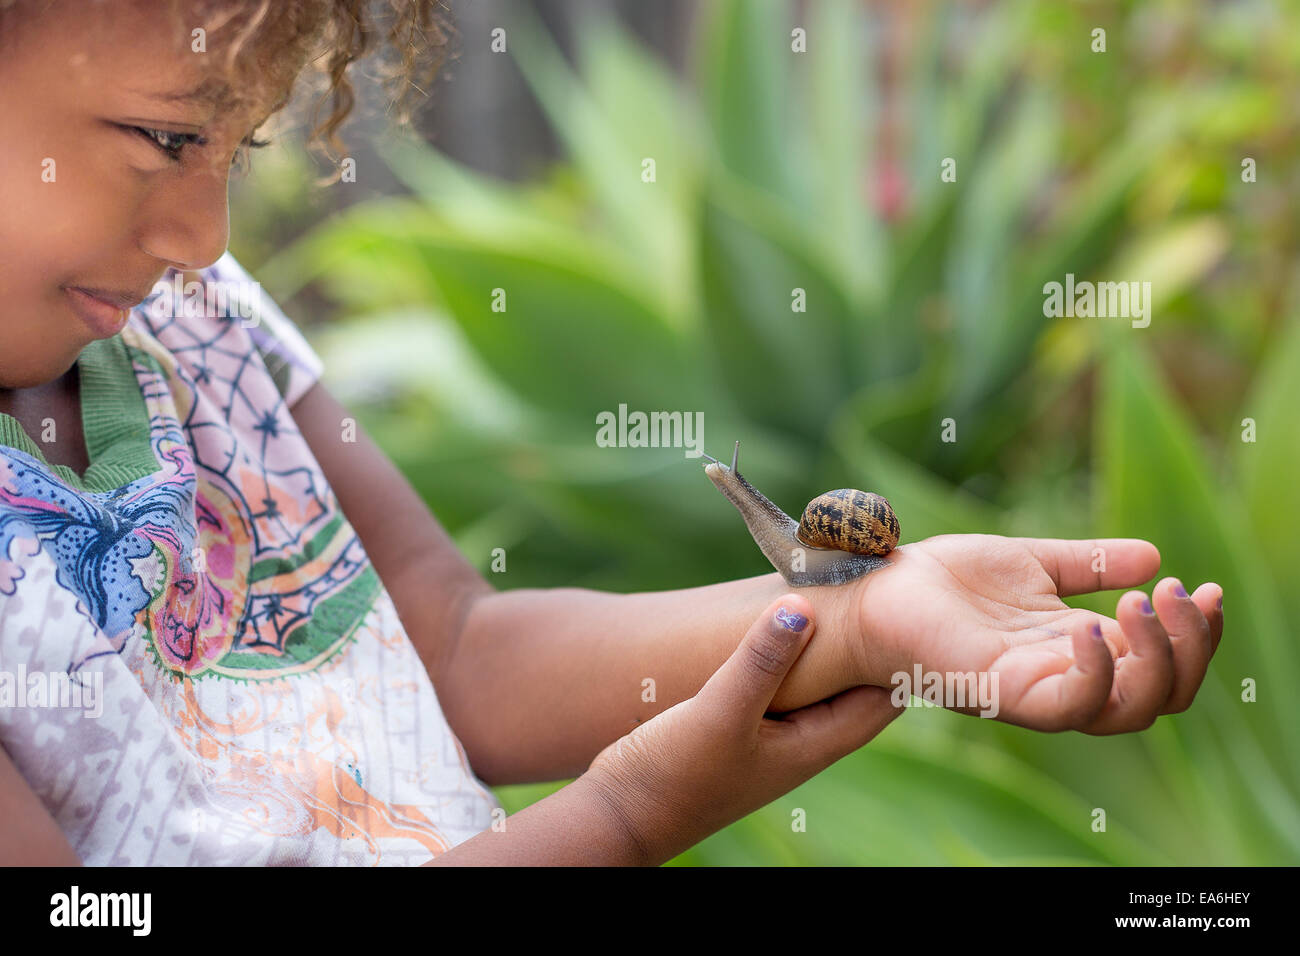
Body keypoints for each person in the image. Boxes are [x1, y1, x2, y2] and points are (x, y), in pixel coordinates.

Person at [0, 0, 1224, 867]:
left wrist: (854, 619)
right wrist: (629, 815)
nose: (206, 231)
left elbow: (461, 651)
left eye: (241, 143)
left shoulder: (211, 332)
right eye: (168, 137)